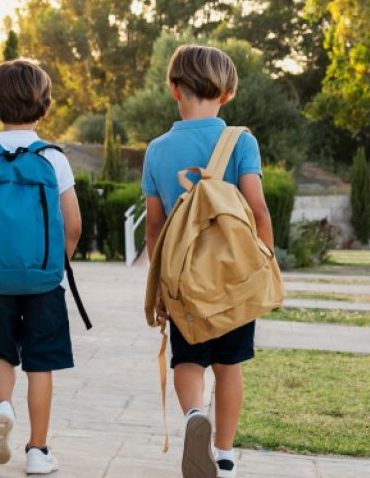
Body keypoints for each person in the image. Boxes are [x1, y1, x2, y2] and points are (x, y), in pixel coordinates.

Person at [142, 44, 271, 478]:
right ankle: (226, 456)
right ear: (227, 93)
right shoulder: (241, 141)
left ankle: (195, 415)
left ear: (174, 89)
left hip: (183, 278)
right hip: (234, 277)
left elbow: (155, 225)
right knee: (229, 366)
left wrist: (160, 283)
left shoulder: (158, 149)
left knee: (188, 361)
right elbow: (258, 208)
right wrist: (265, 263)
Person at [0, 59, 83, 476]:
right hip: (45, 280)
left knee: (2, 352)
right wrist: (56, 264)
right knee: (40, 363)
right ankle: (38, 450)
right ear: (43, 105)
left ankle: (3, 406)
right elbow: (73, 224)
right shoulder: (53, 158)